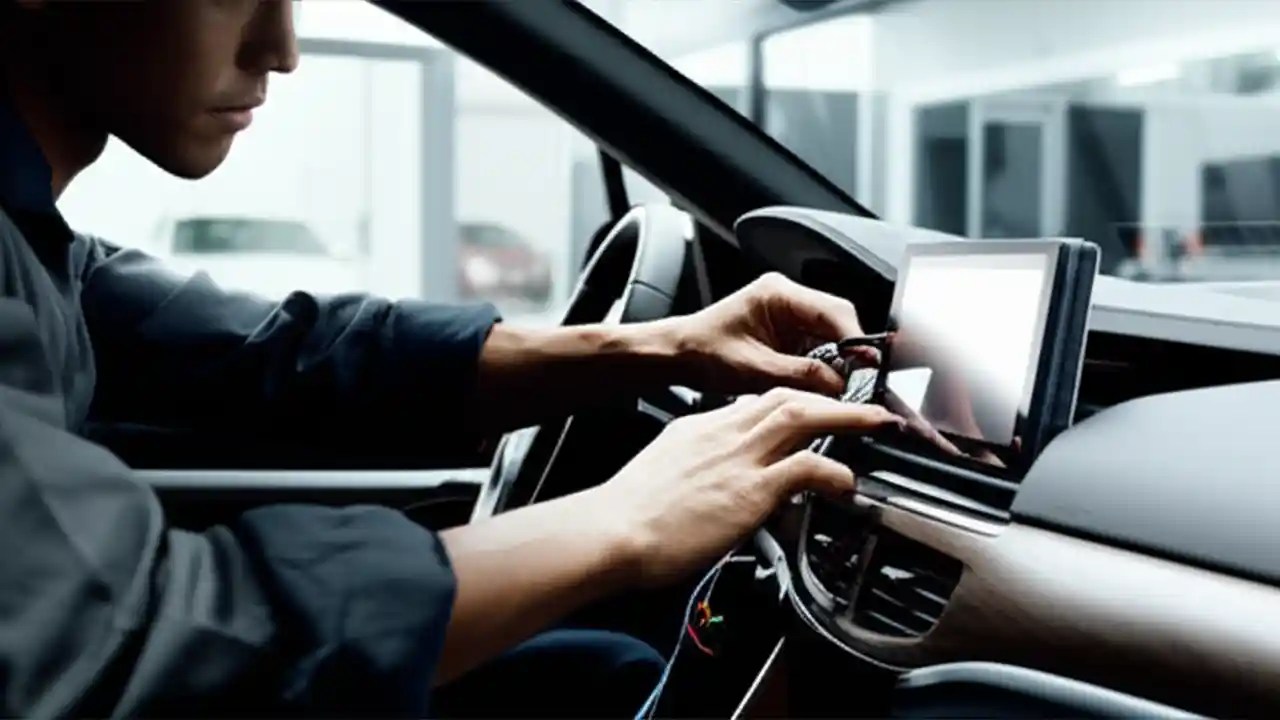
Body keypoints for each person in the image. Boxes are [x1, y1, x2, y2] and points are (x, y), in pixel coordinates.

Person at [0, 1, 902, 717]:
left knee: (593, 676)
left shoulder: (32, 245)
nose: (281, 47)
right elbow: (142, 639)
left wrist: (659, 346)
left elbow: (286, 353)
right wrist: (627, 521)